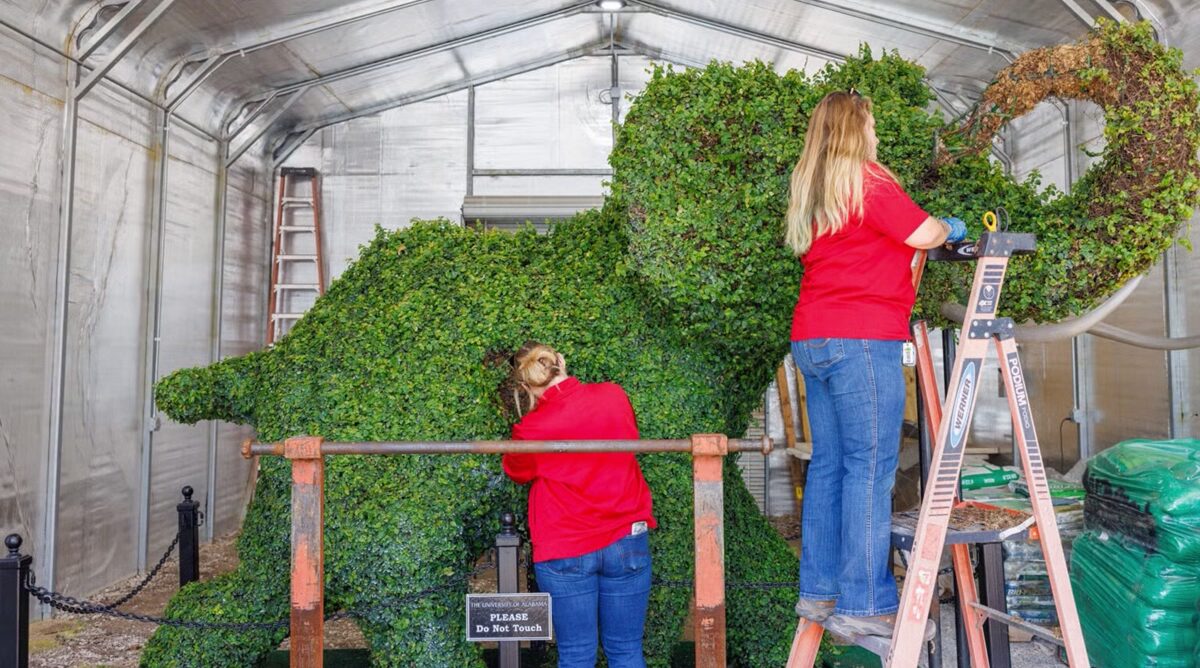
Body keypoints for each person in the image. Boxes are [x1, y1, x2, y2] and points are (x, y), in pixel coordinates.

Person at [784, 90, 967, 640]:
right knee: (869, 469)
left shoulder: (814, 187)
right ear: (855, 126)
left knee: (831, 466)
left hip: (813, 338)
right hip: (861, 339)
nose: (877, 133)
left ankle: (819, 593)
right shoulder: (867, 179)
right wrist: (954, 229)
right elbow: (924, 233)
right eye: (872, 123)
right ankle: (864, 601)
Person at [501, 341, 656, 668]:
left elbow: (516, 472)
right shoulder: (613, 395)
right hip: (626, 538)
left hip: (564, 546)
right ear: (561, 361)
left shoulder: (530, 429)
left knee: (576, 655)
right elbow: (630, 434)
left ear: (526, 385)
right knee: (627, 651)